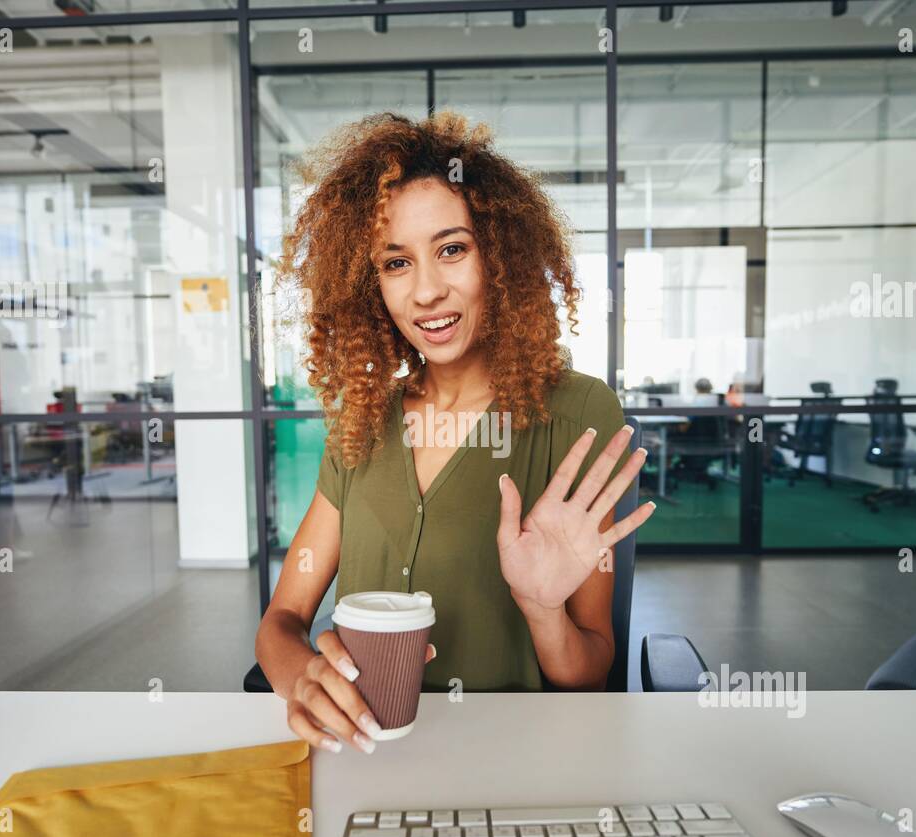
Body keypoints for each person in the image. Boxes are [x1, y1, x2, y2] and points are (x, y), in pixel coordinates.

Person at [254, 111, 656, 755]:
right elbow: (282, 619)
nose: (426, 292)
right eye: (395, 263)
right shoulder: (363, 420)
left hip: (511, 763)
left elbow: (590, 675)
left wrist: (543, 609)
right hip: (366, 755)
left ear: (500, 257)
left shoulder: (580, 414)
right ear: (370, 286)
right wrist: (299, 674)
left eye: (452, 249)